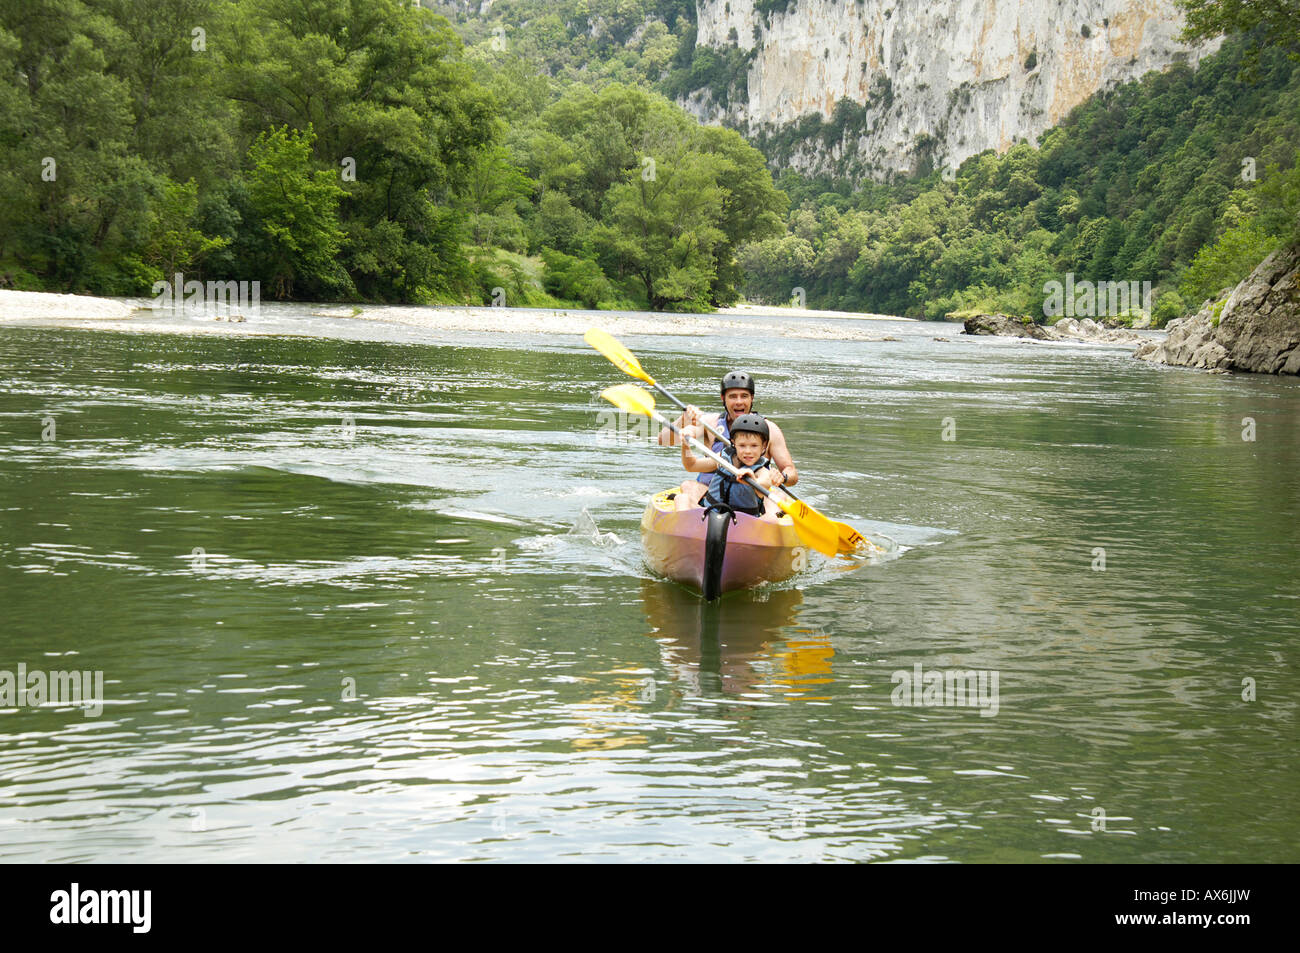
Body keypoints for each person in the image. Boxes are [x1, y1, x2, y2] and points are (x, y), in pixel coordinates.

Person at [657, 371, 798, 506]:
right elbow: (664, 440)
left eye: (744, 396)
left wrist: (782, 477)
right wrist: (685, 421)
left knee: (779, 497)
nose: (739, 402)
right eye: (733, 396)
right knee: (688, 486)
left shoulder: (770, 429)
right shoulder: (709, 423)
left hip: (753, 498)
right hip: (709, 494)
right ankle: (696, 520)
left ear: (752, 398)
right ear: (723, 398)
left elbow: (791, 472)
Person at [679, 413, 786, 520]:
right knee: (681, 498)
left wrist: (752, 480)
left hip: (745, 520)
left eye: (754, 446)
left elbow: (763, 486)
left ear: (763, 446)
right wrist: (685, 446)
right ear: (734, 443)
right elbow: (691, 466)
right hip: (710, 511)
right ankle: (685, 530)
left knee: (772, 519)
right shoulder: (724, 457)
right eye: (742, 445)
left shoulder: (761, 469)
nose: (748, 451)